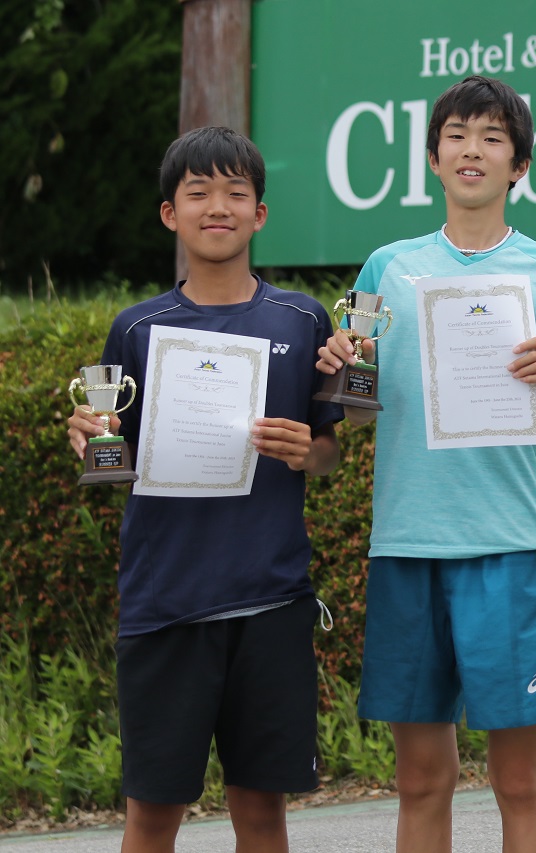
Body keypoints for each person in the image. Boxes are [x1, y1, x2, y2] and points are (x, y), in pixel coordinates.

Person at [315, 75, 536, 853]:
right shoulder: (387, 266)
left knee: (520, 781)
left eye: (491, 137)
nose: (471, 149)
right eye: (456, 135)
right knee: (419, 779)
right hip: (408, 542)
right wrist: (345, 366)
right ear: (433, 158)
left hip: (510, 543)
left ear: (520, 164)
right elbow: (353, 405)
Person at [65, 125, 343, 853]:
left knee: (263, 816)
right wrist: (91, 445)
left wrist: (303, 450)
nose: (216, 207)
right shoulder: (137, 329)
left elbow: (330, 456)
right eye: (198, 193)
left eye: (235, 193)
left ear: (260, 213)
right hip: (166, 607)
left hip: (273, 603)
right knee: (152, 818)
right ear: (170, 214)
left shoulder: (302, 318)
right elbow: (118, 466)